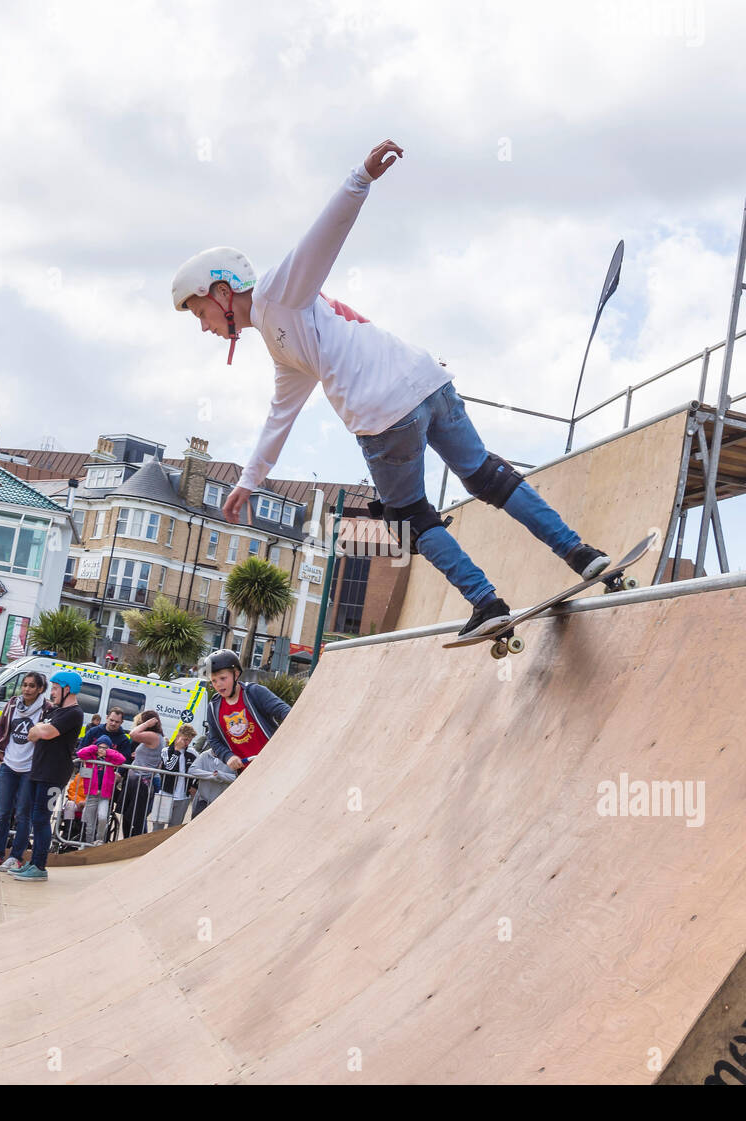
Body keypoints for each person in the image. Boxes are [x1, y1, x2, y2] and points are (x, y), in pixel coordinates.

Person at [172, 139, 612, 639]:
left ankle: (487, 603)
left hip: (384, 417)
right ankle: (583, 554)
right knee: (486, 475)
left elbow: (321, 239)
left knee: (407, 519)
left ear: (224, 293)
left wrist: (359, 178)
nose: (205, 327)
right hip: (429, 382)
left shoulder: (278, 294)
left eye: (201, 313)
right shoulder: (286, 345)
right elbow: (281, 414)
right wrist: (251, 479)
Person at [7, 671, 84, 881]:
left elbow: (45, 733)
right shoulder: (56, 712)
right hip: (39, 770)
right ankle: (32, 862)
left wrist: (40, 729)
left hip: (54, 773)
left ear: (67, 689)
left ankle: (40, 866)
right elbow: (33, 734)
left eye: (56, 689)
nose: (52, 693)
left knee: (41, 819)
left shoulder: (74, 713)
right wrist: (40, 729)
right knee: (34, 816)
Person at [0, 670, 48, 870]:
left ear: (40, 689)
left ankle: (16, 856)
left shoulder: (46, 709)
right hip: (9, 764)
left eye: (32, 686)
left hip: (29, 768)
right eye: (25, 684)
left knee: (22, 814)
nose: (27, 689)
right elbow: (1, 727)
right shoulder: (12, 704)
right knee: (2, 812)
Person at [202, 649, 291, 774]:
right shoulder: (213, 707)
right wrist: (228, 756)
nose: (218, 684)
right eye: (214, 680)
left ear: (236, 674)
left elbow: (285, 711)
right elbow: (214, 740)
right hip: (246, 773)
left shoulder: (254, 692)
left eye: (223, 678)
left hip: (275, 763)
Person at [116, 710, 164, 838]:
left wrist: (147, 723)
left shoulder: (154, 736)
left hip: (141, 782)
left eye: (142, 721)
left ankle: (137, 845)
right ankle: (128, 842)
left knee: (135, 819)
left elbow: (133, 734)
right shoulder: (154, 737)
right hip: (136, 781)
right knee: (129, 817)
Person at [75, 733, 124, 845]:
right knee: (89, 823)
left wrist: (108, 751)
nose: (102, 750)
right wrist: (94, 747)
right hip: (92, 794)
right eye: (100, 747)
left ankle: (99, 840)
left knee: (102, 817)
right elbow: (80, 753)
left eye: (105, 748)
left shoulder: (110, 759)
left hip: (104, 795)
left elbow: (121, 759)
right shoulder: (90, 758)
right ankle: (88, 844)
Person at [153, 724, 198, 830]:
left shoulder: (193, 753)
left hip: (183, 797)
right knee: (157, 828)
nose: (187, 743)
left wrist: (195, 785)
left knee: (173, 830)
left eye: (189, 741)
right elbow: (169, 768)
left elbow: (200, 767)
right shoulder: (166, 751)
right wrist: (176, 751)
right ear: (178, 737)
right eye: (185, 739)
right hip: (165, 794)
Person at [188, 737, 237, 818]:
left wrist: (220, 775)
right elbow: (192, 770)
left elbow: (237, 778)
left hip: (222, 803)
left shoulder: (232, 758)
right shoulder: (205, 755)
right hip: (203, 801)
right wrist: (211, 775)